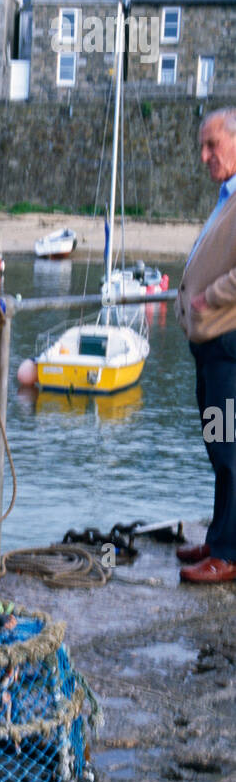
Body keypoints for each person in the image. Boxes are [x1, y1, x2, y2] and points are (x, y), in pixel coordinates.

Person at [175, 107, 236, 584]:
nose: (203, 156)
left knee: (230, 446)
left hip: (228, 347)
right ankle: (219, 538)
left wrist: (207, 298)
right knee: (219, 444)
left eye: (212, 145)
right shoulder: (227, 196)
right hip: (213, 347)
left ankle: (228, 552)